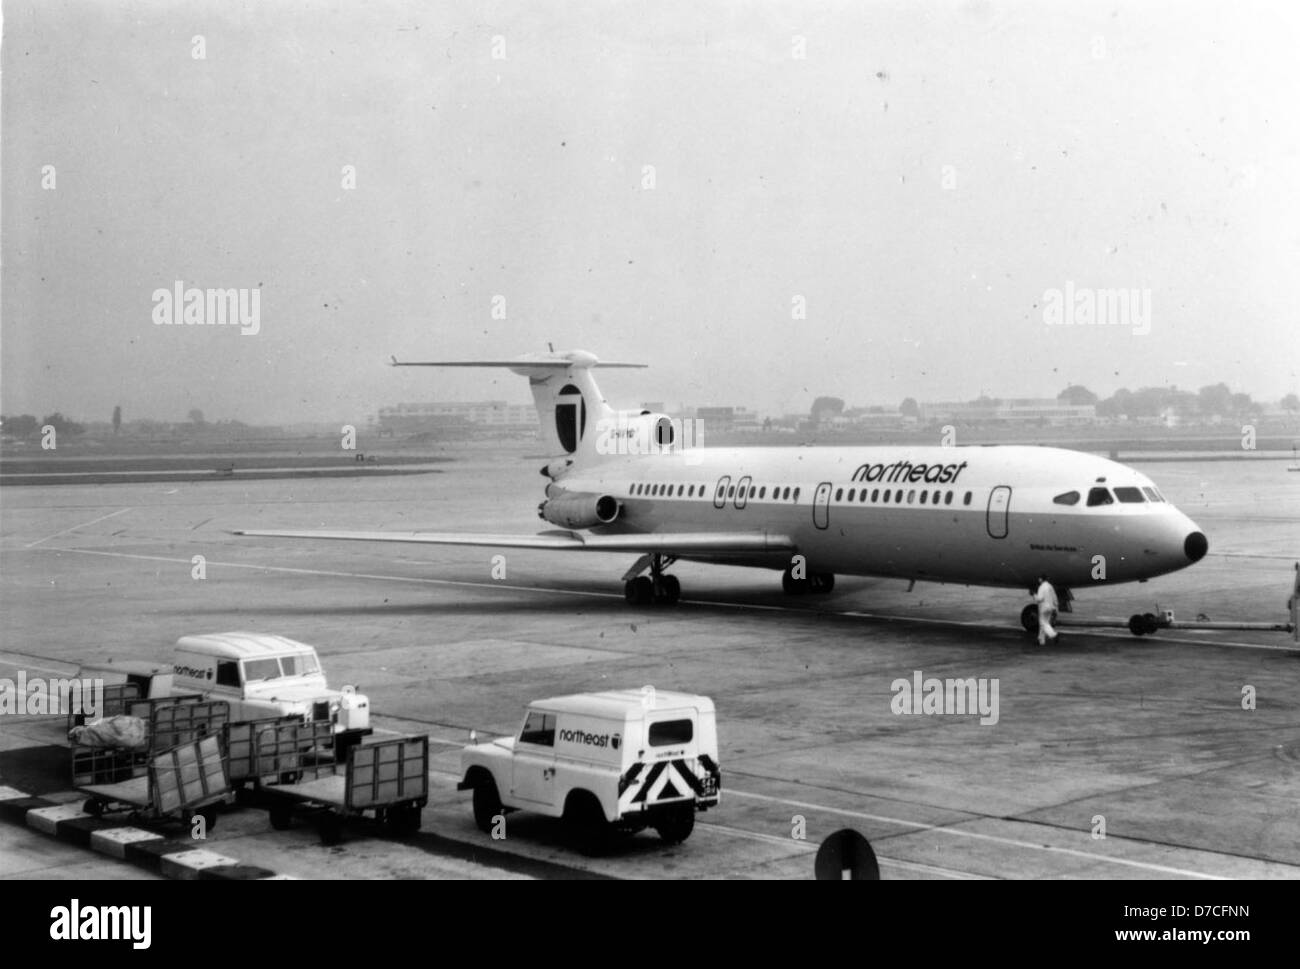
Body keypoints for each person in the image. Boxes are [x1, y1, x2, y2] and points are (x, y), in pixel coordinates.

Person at [1034, 574, 1059, 646]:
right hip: (1051, 607)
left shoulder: (1041, 587)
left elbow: (1039, 599)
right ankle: (1041, 640)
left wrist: (1034, 595)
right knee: (1045, 623)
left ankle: (1053, 635)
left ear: (1041, 579)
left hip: (1043, 608)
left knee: (1043, 623)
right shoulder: (1050, 586)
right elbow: (1054, 597)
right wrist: (1056, 606)